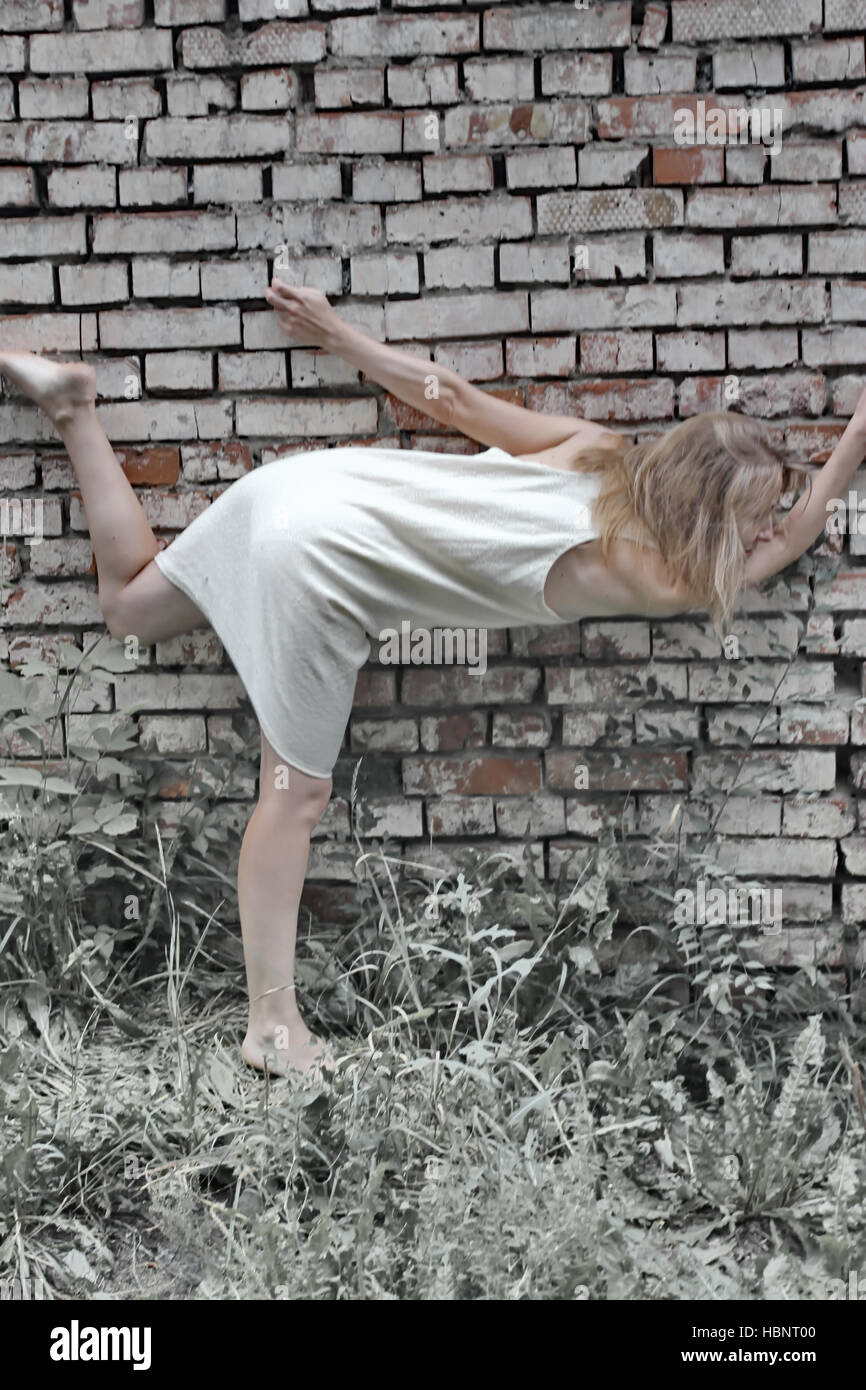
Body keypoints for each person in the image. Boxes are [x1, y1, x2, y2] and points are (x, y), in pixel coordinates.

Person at [2, 283, 865, 1080]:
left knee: (130, 609)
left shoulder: (596, 451)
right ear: (707, 516)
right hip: (323, 563)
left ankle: (73, 409)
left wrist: (342, 336)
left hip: (303, 487)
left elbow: (449, 398)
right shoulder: (655, 573)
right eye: (748, 519)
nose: (759, 536)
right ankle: (271, 1031)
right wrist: (854, 443)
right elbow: (788, 546)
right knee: (293, 795)